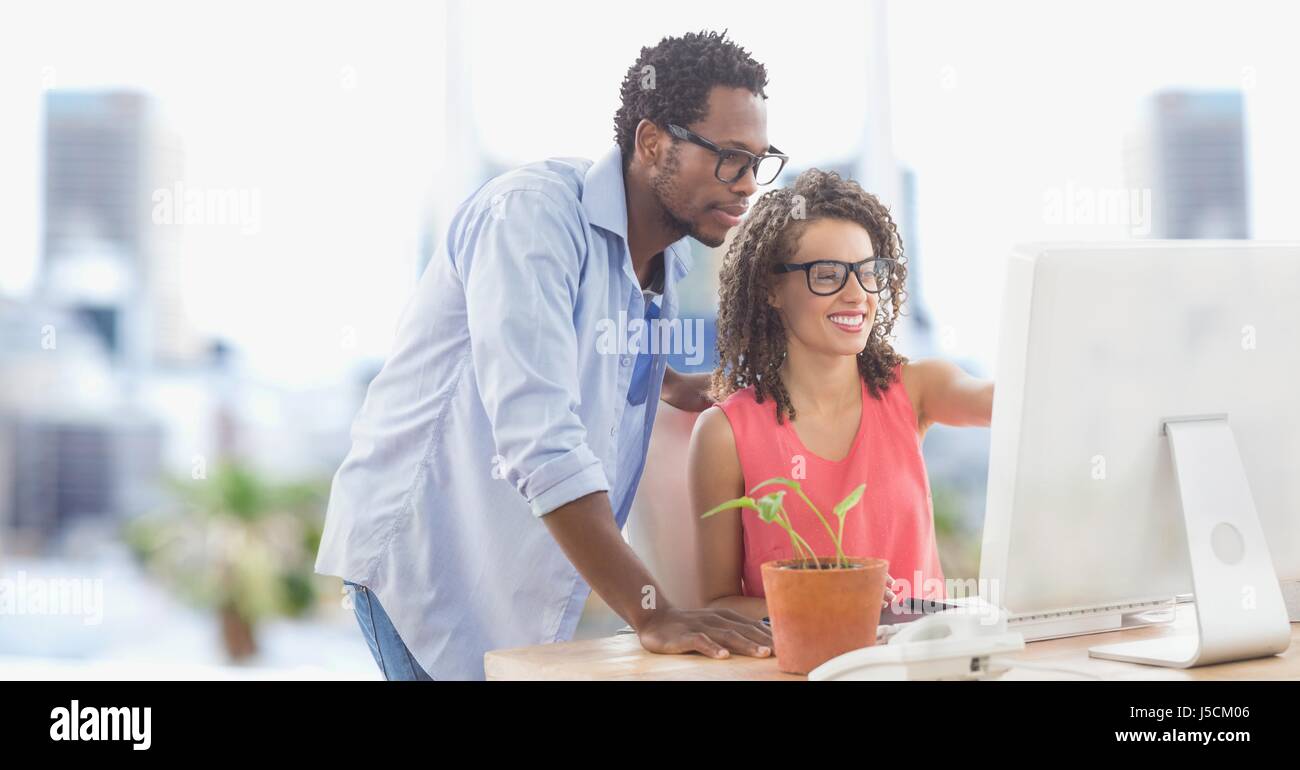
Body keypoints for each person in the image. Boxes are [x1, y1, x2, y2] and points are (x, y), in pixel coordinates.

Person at [316, 31, 787, 680]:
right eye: (731, 158)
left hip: (513, 573)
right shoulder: (531, 219)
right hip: (426, 558)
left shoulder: (665, 255)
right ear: (652, 143)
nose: (748, 185)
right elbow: (538, 436)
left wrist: (670, 382)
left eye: (761, 162)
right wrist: (653, 610)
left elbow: (593, 341)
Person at [689, 168, 994, 619]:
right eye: (828, 274)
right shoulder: (724, 434)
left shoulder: (917, 389)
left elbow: (1013, 404)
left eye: (868, 273)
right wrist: (832, 601)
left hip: (923, 662)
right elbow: (716, 606)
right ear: (773, 289)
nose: (857, 295)